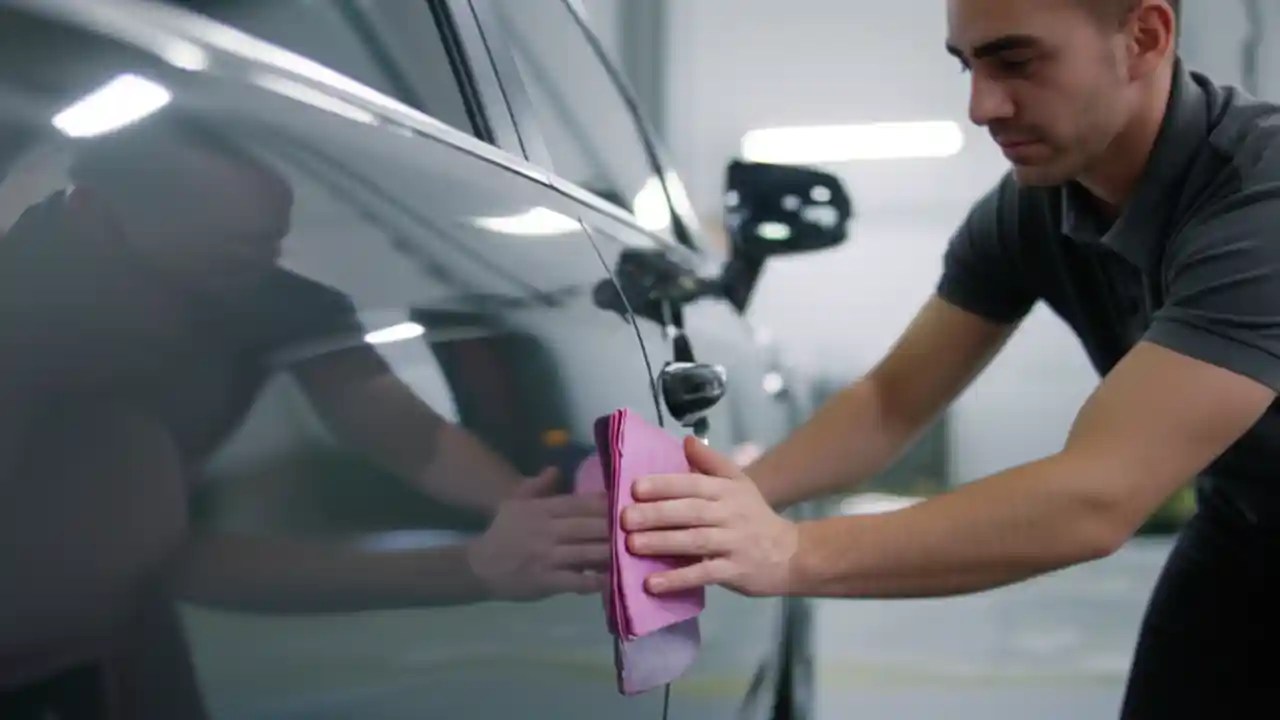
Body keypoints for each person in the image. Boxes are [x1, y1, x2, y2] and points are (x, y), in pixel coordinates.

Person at [621, 0, 1279, 716]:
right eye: (968, 66)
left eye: (1017, 62)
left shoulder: (1260, 203)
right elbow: (892, 400)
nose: (980, 106)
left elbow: (1097, 497)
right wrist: (733, 499)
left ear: (1144, 39)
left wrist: (790, 551)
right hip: (1245, 520)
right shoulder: (1037, 208)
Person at [0, 115, 608, 717]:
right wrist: (472, 568)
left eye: (268, 243)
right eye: (225, 254)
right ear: (92, 218)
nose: (258, 268)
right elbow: (171, 559)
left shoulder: (269, 294)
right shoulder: (33, 329)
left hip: (112, 618)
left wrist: (533, 513)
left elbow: (402, 430)